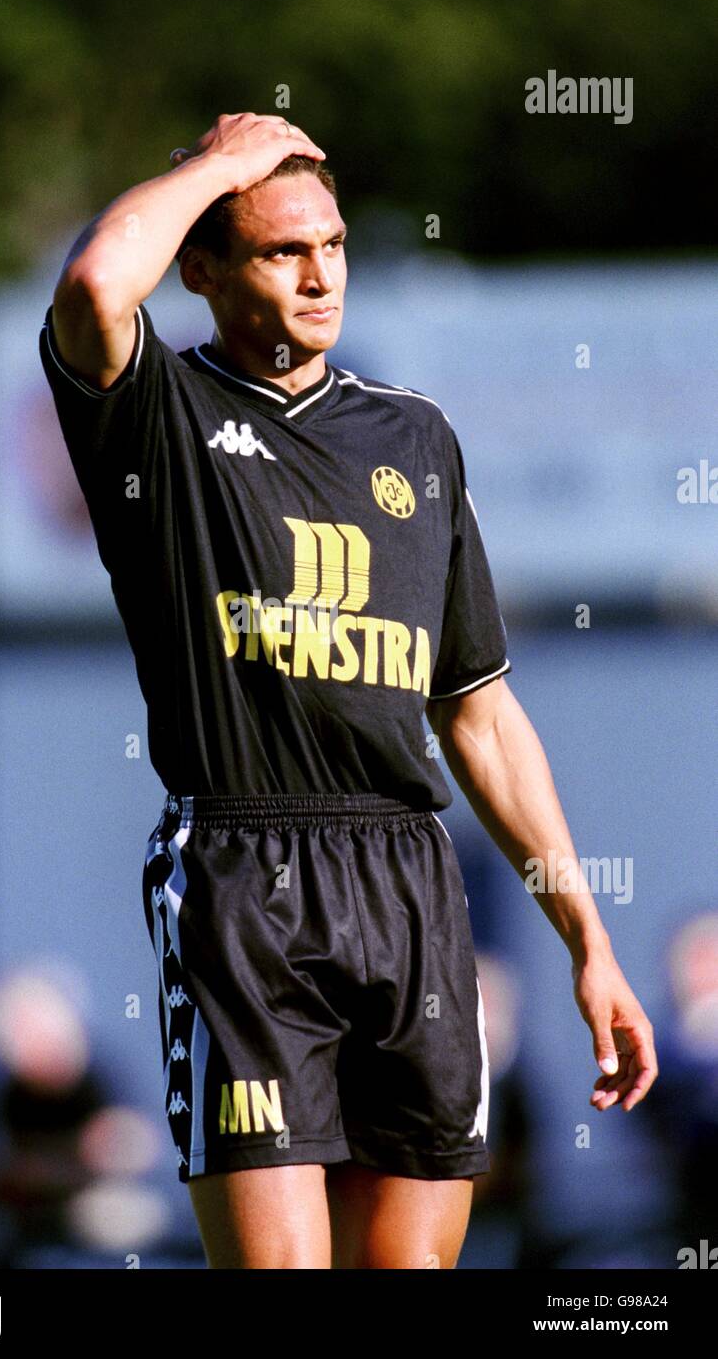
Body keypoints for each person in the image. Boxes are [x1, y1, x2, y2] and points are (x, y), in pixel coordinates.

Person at [39, 112, 658, 1268]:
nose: (320, 272)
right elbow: (90, 284)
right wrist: (218, 165)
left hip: (410, 881)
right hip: (243, 883)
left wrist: (587, 936)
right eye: (280, 249)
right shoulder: (160, 418)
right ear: (205, 271)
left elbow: (476, 711)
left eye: (330, 243)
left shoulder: (415, 438)